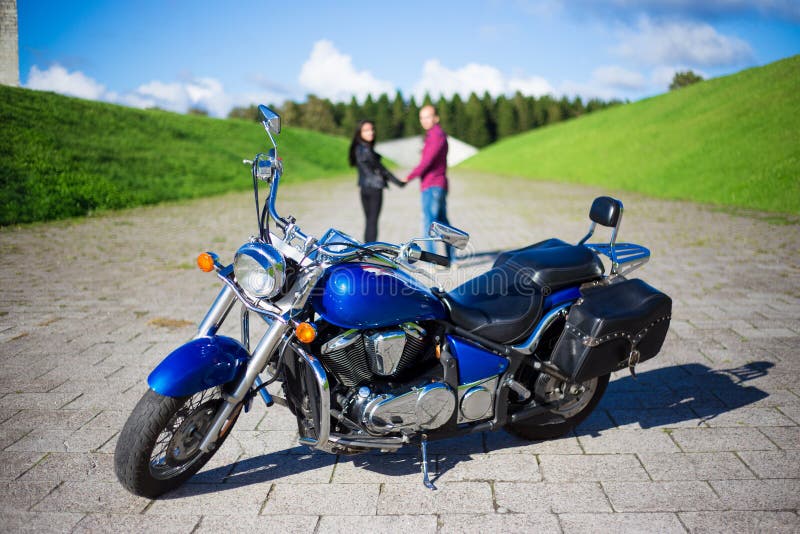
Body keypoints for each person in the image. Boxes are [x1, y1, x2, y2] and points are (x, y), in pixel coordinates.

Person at [403, 105, 453, 261]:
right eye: (421, 117)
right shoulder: (434, 135)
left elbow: (427, 161)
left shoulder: (436, 135)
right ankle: (452, 260)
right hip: (437, 184)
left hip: (433, 185)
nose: (424, 120)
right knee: (443, 224)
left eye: (428, 116)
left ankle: (433, 261)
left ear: (436, 118)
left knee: (429, 224)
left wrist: (408, 177)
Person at [349, 120, 405, 243]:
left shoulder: (357, 148)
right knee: (372, 221)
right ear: (360, 132)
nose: (371, 132)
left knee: (369, 221)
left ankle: (366, 249)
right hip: (374, 189)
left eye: (372, 129)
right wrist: (399, 182)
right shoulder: (367, 150)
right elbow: (382, 170)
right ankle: (370, 250)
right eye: (366, 130)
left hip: (364, 189)